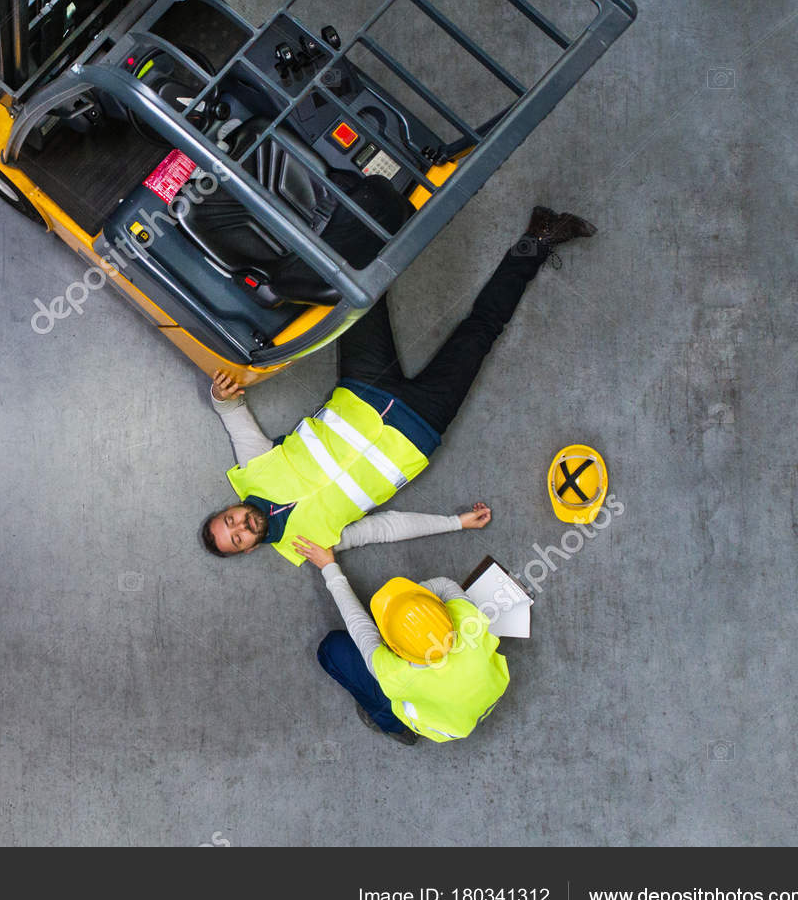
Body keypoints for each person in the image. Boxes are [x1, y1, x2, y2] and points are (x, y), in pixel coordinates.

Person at [201, 206, 596, 563]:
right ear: (248, 550)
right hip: (420, 425)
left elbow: (231, 412)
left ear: (228, 508)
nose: (240, 527)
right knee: (482, 331)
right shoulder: (309, 547)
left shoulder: (252, 470)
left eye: (229, 520)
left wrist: (220, 396)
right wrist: (455, 523)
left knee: (356, 294)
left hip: (363, 387)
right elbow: (383, 529)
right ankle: (539, 239)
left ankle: (365, 195)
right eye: (236, 539)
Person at [299, 536, 510, 745]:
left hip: (439, 724)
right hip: (487, 694)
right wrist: (413, 606)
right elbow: (446, 585)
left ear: (396, 651)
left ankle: (397, 727)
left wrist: (329, 567)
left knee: (332, 649)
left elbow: (360, 628)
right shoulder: (468, 619)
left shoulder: (396, 674)